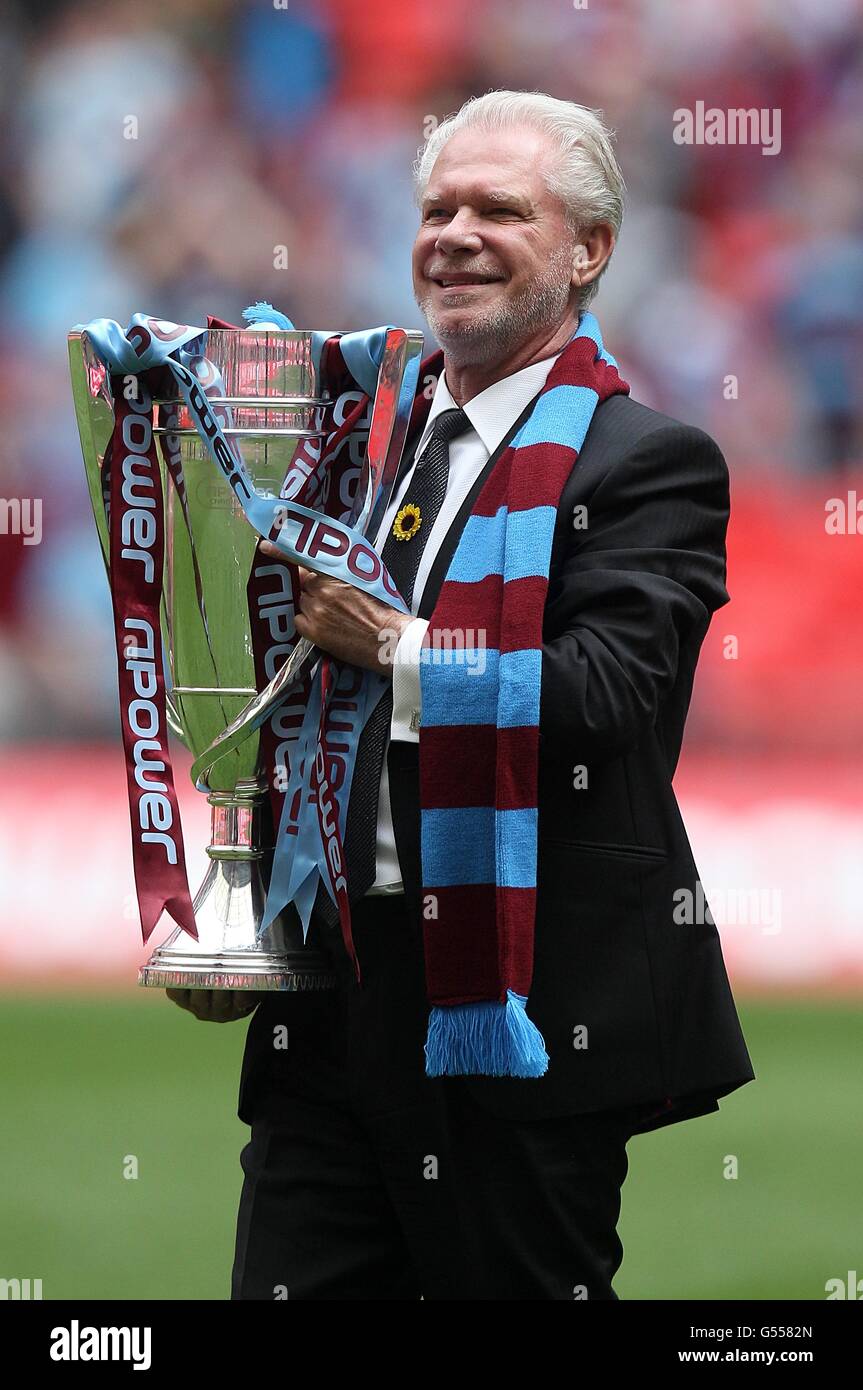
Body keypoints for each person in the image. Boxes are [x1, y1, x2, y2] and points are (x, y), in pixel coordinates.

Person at [169, 90, 754, 1300]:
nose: (455, 233)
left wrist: (400, 646)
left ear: (588, 251)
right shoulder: (347, 439)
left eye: (500, 209)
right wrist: (249, 903)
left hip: (519, 996)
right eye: (437, 207)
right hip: (336, 998)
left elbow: (608, 699)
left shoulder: (645, 462)